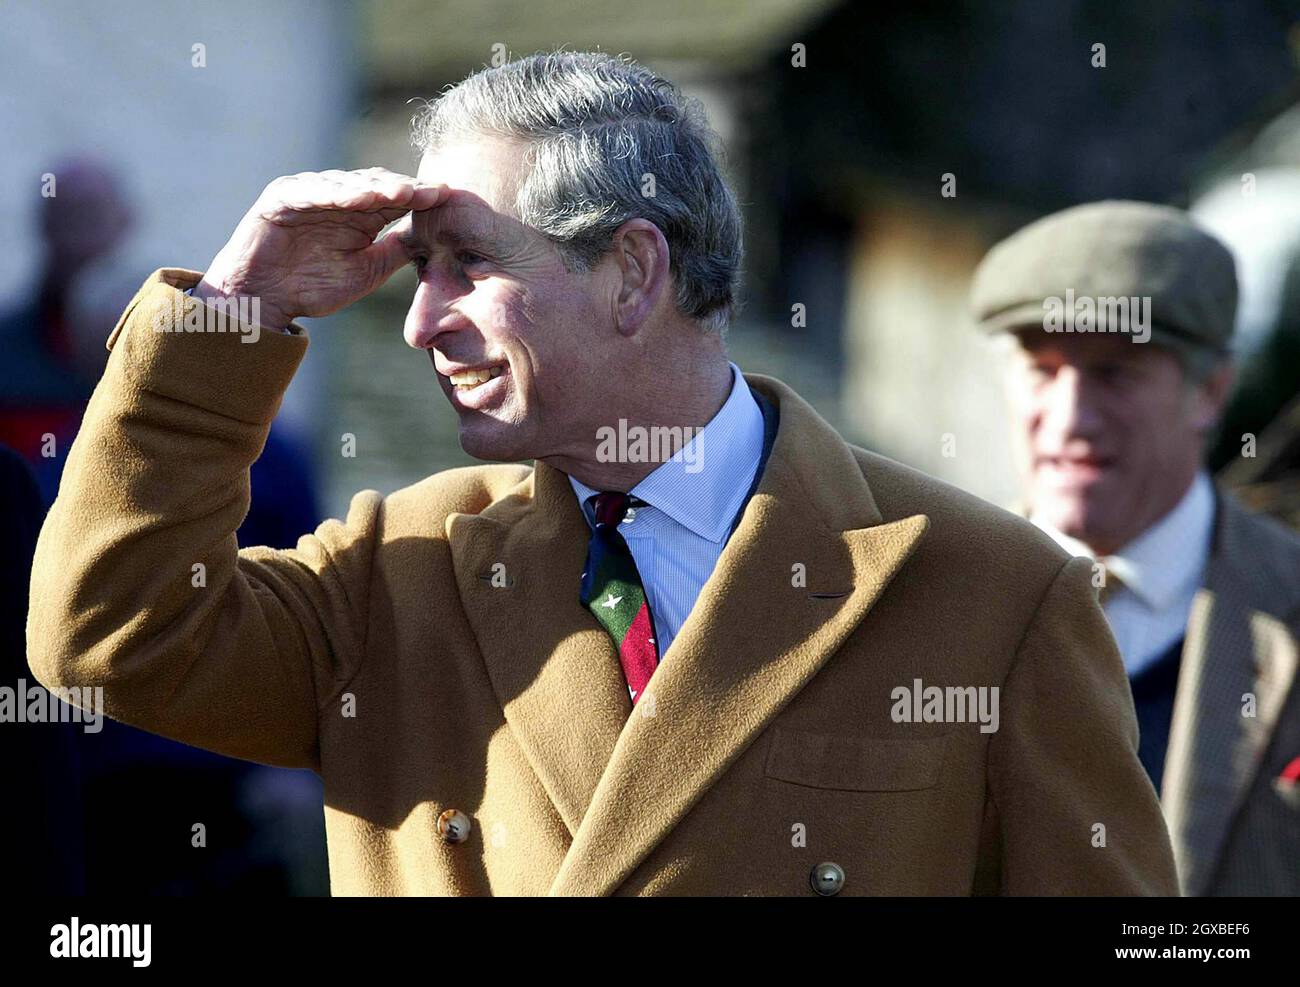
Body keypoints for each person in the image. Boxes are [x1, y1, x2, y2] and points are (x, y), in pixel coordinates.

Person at [29, 52, 1177, 896]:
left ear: (633, 273)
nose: (422, 321)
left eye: (469, 266)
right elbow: (106, 639)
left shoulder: (991, 593)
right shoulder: (397, 572)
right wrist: (235, 314)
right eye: (419, 271)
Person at [972, 199, 1300, 895]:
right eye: (1043, 368)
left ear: (1209, 392)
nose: (1071, 419)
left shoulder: (1286, 599)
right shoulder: (932, 600)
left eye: (1114, 372)